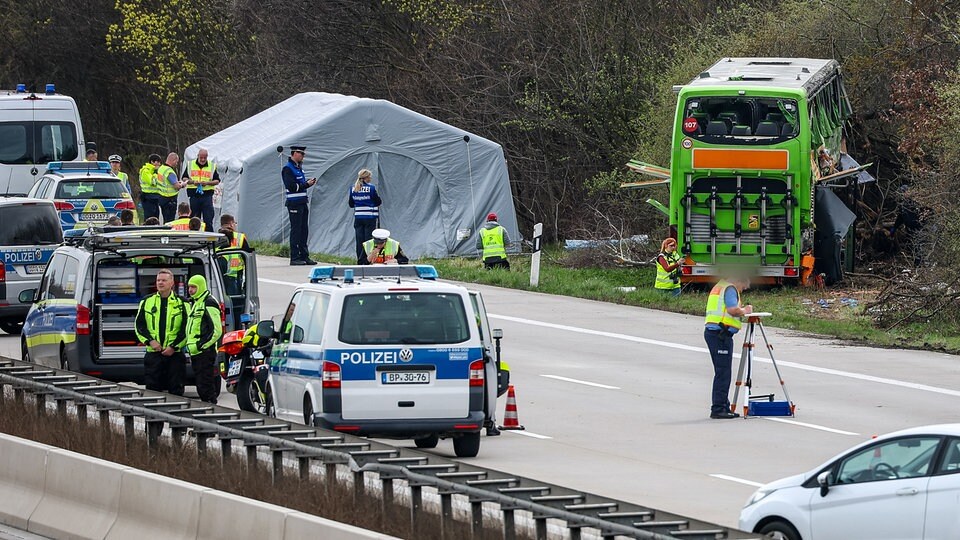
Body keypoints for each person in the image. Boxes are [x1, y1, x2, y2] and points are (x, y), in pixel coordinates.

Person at [703, 275, 752, 419]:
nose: (742, 291)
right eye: (743, 288)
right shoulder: (730, 289)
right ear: (739, 281)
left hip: (716, 333)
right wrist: (745, 311)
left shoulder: (720, 286)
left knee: (722, 371)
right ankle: (718, 408)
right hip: (720, 334)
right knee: (723, 373)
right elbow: (732, 310)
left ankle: (724, 405)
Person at [134, 269, 188, 396]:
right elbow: (139, 325)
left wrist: (174, 347)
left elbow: (187, 328)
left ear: (171, 283)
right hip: (154, 354)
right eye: (158, 280)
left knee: (176, 391)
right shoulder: (147, 301)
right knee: (152, 391)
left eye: (164, 280)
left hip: (175, 354)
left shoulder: (182, 303)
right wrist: (150, 341)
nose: (160, 283)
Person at [185, 274, 223, 404]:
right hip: (196, 352)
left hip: (204, 352)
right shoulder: (197, 302)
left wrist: (201, 345)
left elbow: (216, 330)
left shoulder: (208, 302)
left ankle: (211, 409)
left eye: (193, 287)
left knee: (206, 386)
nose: (190, 290)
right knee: (202, 385)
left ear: (201, 286)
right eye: (189, 287)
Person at [281, 145, 317, 266]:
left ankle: (304, 255)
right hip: (294, 203)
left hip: (302, 202)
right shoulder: (288, 168)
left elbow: (299, 184)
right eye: (301, 153)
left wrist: (307, 183)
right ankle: (295, 257)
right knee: (296, 230)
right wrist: (306, 184)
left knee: (304, 230)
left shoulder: (299, 168)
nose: (303, 156)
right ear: (294, 153)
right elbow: (291, 186)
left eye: (303, 154)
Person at [348, 168, 382, 263]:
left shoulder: (353, 188)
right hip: (370, 217)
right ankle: (367, 260)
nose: (370, 179)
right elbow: (378, 201)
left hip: (358, 217)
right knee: (368, 240)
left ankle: (360, 260)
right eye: (369, 177)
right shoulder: (371, 188)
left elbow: (351, 204)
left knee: (359, 240)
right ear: (366, 178)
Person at [182, 148, 220, 232]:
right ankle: (194, 235)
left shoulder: (212, 166)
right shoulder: (190, 164)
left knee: (208, 220)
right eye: (201, 157)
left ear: (207, 157)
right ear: (198, 156)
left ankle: (209, 236)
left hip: (207, 196)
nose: (203, 160)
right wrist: (193, 182)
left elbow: (217, 180)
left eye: (204, 158)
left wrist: (207, 183)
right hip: (194, 195)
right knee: (194, 219)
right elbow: (184, 178)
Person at [156, 152, 183, 224]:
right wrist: (182, 184)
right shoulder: (169, 172)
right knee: (170, 221)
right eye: (176, 162)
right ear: (173, 160)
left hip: (162, 197)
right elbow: (176, 186)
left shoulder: (161, 168)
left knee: (165, 219)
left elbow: (165, 182)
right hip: (170, 199)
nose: (176, 164)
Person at [139, 154, 163, 221]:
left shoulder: (154, 170)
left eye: (160, 162)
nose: (159, 164)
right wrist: (156, 173)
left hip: (155, 197)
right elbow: (153, 182)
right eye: (157, 162)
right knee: (149, 218)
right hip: (148, 197)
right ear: (152, 162)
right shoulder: (145, 171)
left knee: (156, 217)